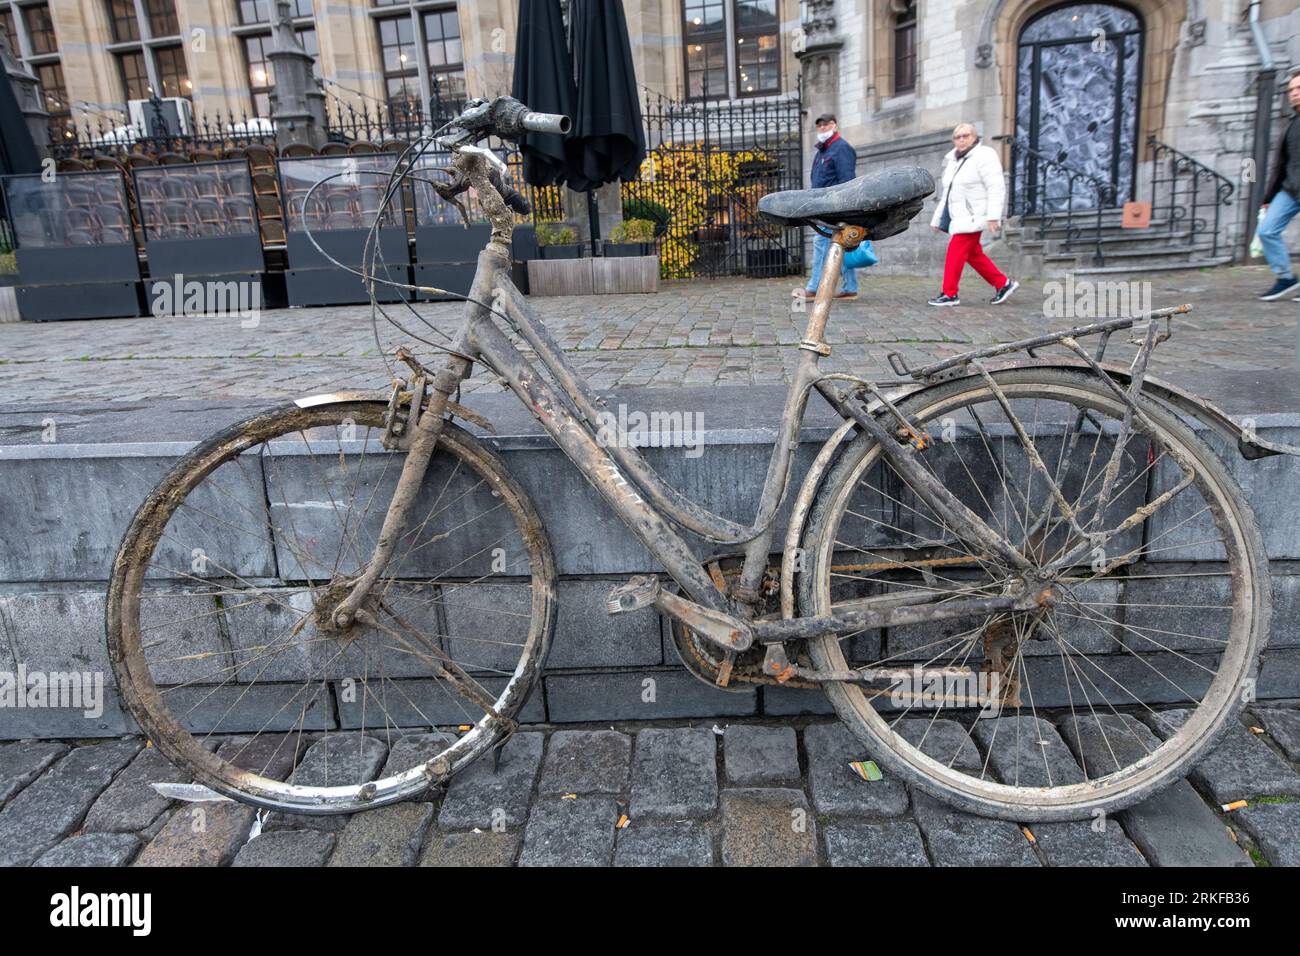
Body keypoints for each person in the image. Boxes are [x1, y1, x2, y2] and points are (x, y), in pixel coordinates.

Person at [928, 123, 1018, 307]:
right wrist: (937, 219)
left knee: (955, 252)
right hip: (959, 217)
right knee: (973, 254)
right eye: (957, 137)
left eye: (965, 135)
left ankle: (949, 293)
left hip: (973, 217)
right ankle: (1003, 283)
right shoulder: (953, 160)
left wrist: (993, 216)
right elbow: (947, 194)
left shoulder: (984, 155)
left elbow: (996, 186)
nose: (961, 139)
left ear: (974, 137)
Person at [795, 113, 860, 300]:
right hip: (823, 204)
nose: (822, 128)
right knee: (840, 244)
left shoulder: (842, 149)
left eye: (826, 124)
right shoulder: (822, 151)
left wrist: (845, 206)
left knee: (821, 243)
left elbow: (847, 180)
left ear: (835, 125)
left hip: (834, 206)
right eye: (819, 126)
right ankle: (850, 287)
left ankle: (814, 287)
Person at [1257, 70, 1300, 302]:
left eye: (1298, 89)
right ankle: (1286, 278)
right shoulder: (1291, 124)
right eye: (1291, 90)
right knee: (1267, 230)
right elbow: (1281, 164)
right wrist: (1269, 196)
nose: (1294, 94)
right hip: (1290, 189)